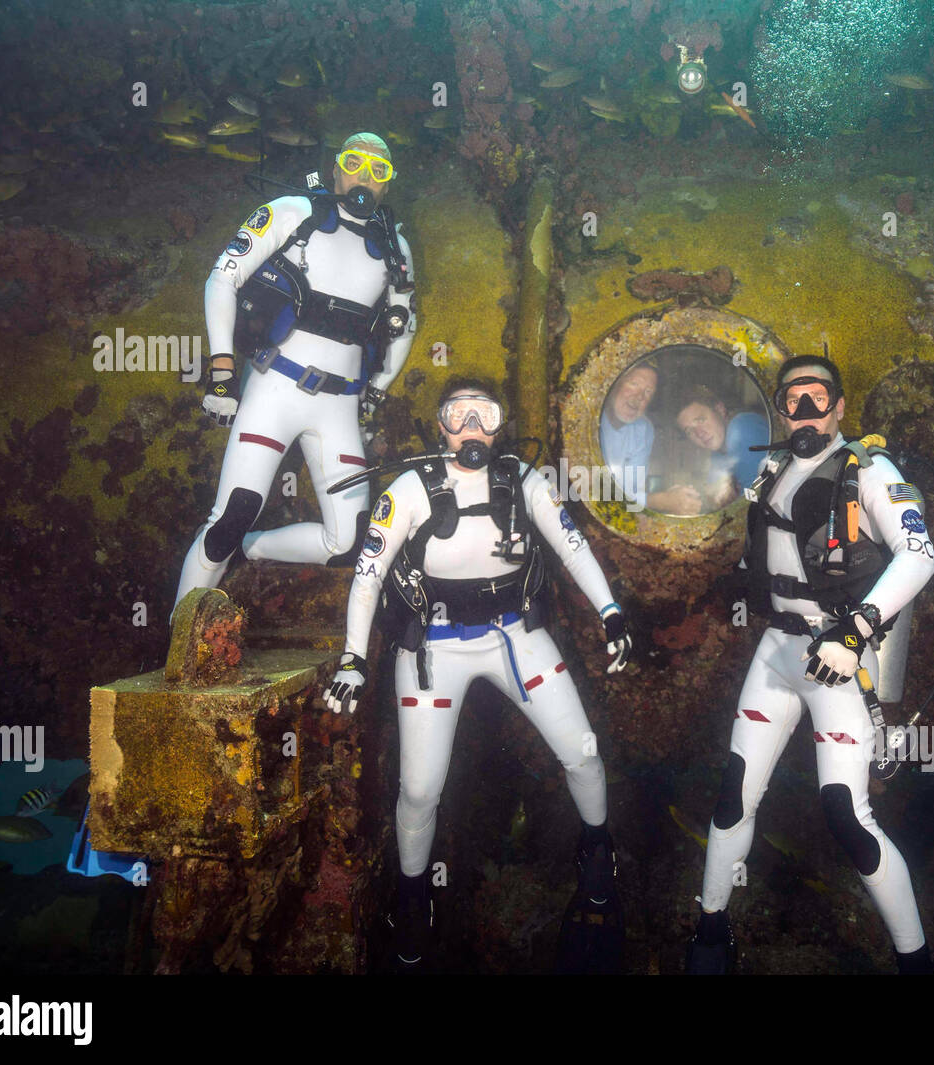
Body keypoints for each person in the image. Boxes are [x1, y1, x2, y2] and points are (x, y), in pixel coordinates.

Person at [324, 378, 633, 971]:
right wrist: (353, 660)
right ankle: (414, 899)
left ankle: (597, 852)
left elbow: (571, 547)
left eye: (484, 414)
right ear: (439, 426)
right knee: (418, 791)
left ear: (501, 423)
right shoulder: (410, 488)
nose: (471, 428)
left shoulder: (526, 481)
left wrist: (611, 611)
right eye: (457, 414)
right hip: (432, 649)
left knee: (584, 754)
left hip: (516, 637)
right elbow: (367, 574)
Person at [686, 354, 934, 974]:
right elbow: (762, 557)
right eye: (791, 399)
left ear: (840, 405)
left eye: (816, 398)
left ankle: (917, 962)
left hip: (842, 660)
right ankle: (712, 928)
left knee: (846, 815)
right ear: (778, 407)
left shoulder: (870, 471)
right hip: (776, 651)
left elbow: (919, 556)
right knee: (732, 796)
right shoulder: (770, 468)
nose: (803, 410)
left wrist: (854, 632)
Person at [174, 132, 416, 607]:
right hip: (274, 390)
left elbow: (404, 326)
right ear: (335, 169)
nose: (364, 177)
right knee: (233, 513)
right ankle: (175, 644)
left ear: (388, 183)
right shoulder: (290, 212)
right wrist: (222, 368)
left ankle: (251, 550)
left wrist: (376, 391)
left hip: (341, 407)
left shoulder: (396, 248)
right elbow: (224, 277)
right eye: (354, 163)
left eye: (378, 170)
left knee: (348, 541)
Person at [599, 361, 703, 514]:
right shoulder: (590, 420)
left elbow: (630, 491)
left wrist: (669, 498)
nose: (639, 396)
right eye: (633, 384)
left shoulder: (643, 429)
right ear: (614, 384)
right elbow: (586, 489)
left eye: (648, 392)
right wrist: (658, 501)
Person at [674, 383, 770, 510]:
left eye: (701, 420)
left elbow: (751, 503)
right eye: (689, 431)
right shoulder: (717, 454)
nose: (699, 433)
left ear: (720, 409)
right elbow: (714, 504)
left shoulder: (742, 426)